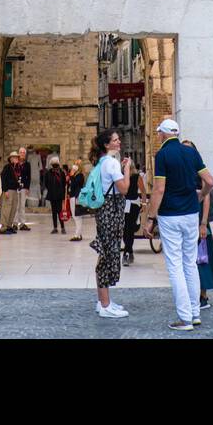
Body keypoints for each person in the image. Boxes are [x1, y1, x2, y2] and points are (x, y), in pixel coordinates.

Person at [146, 118, 213, 330]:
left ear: (163, 134)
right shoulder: (191, 152)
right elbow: (209, 181)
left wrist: (150, 218)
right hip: (191, 214)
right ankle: (194, 313)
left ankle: (184, 319)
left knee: (175, 266)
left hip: (170, 215)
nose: (158, 136)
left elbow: (159, 189)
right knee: (190, 263)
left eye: (159, 133)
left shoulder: (163, 155)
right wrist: (201, 195)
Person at [89, 129, 131, 319]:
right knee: (108, 254)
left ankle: (103, 300)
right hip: (111, 212)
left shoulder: (102, 162)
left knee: (104, 253)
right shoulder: (112, 162)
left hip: (103, 210)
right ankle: (105, 305)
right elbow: (124, 188)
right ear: (107, 145)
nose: (119, 141)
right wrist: (127, 169)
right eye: (115, 140)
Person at [182, 139, 213, 307]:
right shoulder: (182, 169)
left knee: (202, 258)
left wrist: (203, 223)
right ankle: (191, 294)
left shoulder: (200, 170)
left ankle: (202, 296)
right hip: (186, 217)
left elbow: (206, 197)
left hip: (199, 219)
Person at [122, 158, 143, 265]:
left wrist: (143, 204)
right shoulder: (121, 176)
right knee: (125, 230)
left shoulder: (136, 176)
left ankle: (126, 253)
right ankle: (129, 251)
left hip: (134, 204)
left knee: (130, 228)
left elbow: (143, 191)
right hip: (124, 205)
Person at [0, 150, 24, 234]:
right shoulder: (7, 167)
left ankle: (9, 226)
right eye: (14, 157)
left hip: (15, 190)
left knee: (13, 209)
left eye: (17, 157)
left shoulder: (17, 168)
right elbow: (3, 179)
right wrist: (5, 190)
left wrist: (19, 185)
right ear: (10, 159)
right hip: (8, 190)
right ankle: (3, 227)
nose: (16, 158)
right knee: (6, 209)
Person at [44, 155, 68, 233]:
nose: (55, 165)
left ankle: (62, 227)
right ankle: (55, 227)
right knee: (54, 212)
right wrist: (51, 189)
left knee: (60, 211)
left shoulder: (61, 173)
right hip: (52, 194)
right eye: (53, 163)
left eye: (56, 163)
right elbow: (46, 183)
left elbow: (64, 183)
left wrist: (63, 194)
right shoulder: (48, 173)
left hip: (59, 194)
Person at [68, 160, 86, 241]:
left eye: (77, 164)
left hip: (77, 197)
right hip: (72, 196)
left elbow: (76, 184)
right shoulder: (75, 175)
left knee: (77, 216)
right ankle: (79, 233)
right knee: (76, 216)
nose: (75, 165)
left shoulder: (80, 175)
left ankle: (77, 235)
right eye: (75, 163)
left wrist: (72, 176)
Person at [15, 147, 32, 230]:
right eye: (21, 152)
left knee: (22, 206)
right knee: (16, 206)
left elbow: (28, 177)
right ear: (18, 153)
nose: (22, 154)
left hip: (24, 187)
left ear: (25, 154)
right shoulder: (15, 163)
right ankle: (14, 223)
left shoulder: (27, 164)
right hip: (15, 186)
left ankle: (22, 223)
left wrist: (28, 188)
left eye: (23, 153)